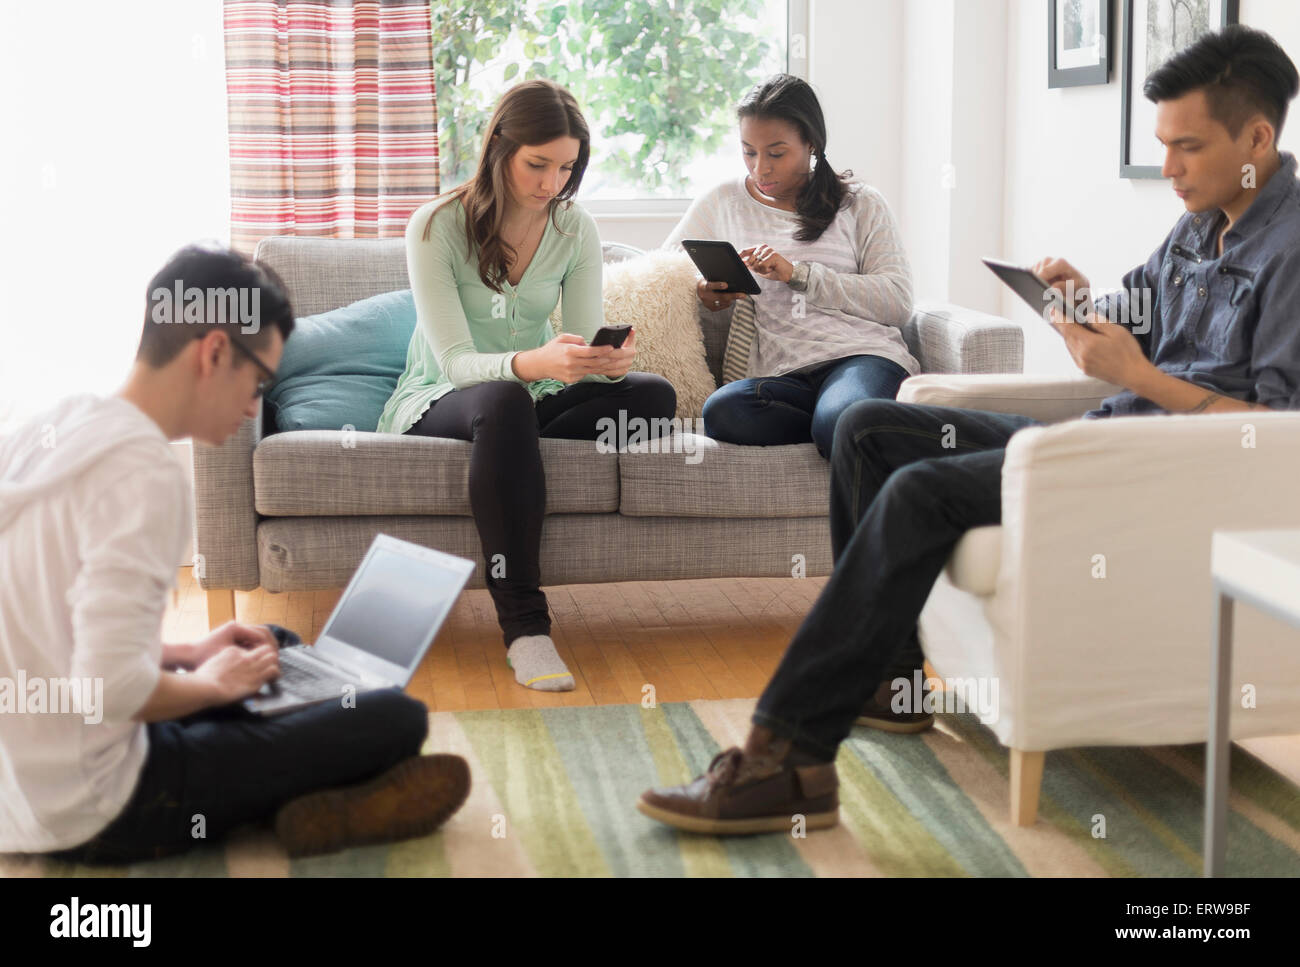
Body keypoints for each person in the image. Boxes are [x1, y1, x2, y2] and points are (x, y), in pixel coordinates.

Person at [637, 24, 1300, 834]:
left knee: (919, 489)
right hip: (1108, 432)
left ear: (1257, 137)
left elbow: (1275, 432)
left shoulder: (1290, 251)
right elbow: (1139, 325)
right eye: (1162, 145)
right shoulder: (1200, 222)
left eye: (1186, 148)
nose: (1167, 169)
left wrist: (1137, 376)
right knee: (873, 427)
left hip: (1153, 472)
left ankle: (788, 754)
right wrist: (1078, 304)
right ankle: (890, 677)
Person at [0, 245, 470, 864]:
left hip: (22, 785)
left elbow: (51, 628)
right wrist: (207, 687)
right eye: (257, 382)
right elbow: (111, 688)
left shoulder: (52, 426)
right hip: (98, 804)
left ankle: (299, 777)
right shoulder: (143, 476)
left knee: (271, 646)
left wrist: (192, 656)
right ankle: (311, 801)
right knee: (394, 718)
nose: (254, 408)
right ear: (215, 350)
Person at [377, 79, 676, 692]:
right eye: (537, 165)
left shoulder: (575, 230)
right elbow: (457, 363)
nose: (551, 184)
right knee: (504, 397)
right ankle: (525, 627)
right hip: (444, 395)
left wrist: (603, 361)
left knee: (652, 396)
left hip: (528, 397)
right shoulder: (435, 227)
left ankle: (511, 444)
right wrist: (533, 364)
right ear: (499, 151)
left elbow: (583, 336)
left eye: (566, 168)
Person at [663, 73, 917, 460]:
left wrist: (799, 274)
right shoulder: (722, 201)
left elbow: (897, 302)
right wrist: (703, 290)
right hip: (781, 376)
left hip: (860, 357)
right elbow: (664, 268)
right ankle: (850, 424)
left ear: (811, 143)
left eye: (776, 153)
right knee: (724, 411)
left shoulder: (860, 203)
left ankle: (846, 420)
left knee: (841, 418)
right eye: (748, 152)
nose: (759, 169)